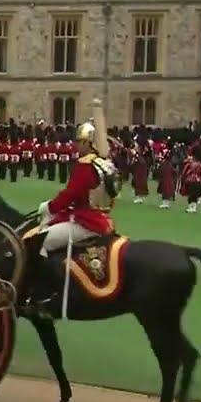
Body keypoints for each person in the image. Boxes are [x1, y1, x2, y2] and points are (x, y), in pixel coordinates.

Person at [24, 114, 118, 308]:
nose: (76, 145)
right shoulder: (104, 164)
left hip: (87, 222)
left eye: (79, 141)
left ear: (87, 143)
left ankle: (45, 291)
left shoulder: (85, 165)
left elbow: (71, 194)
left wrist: (49, 207)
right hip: (102, 218)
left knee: (38, 241)